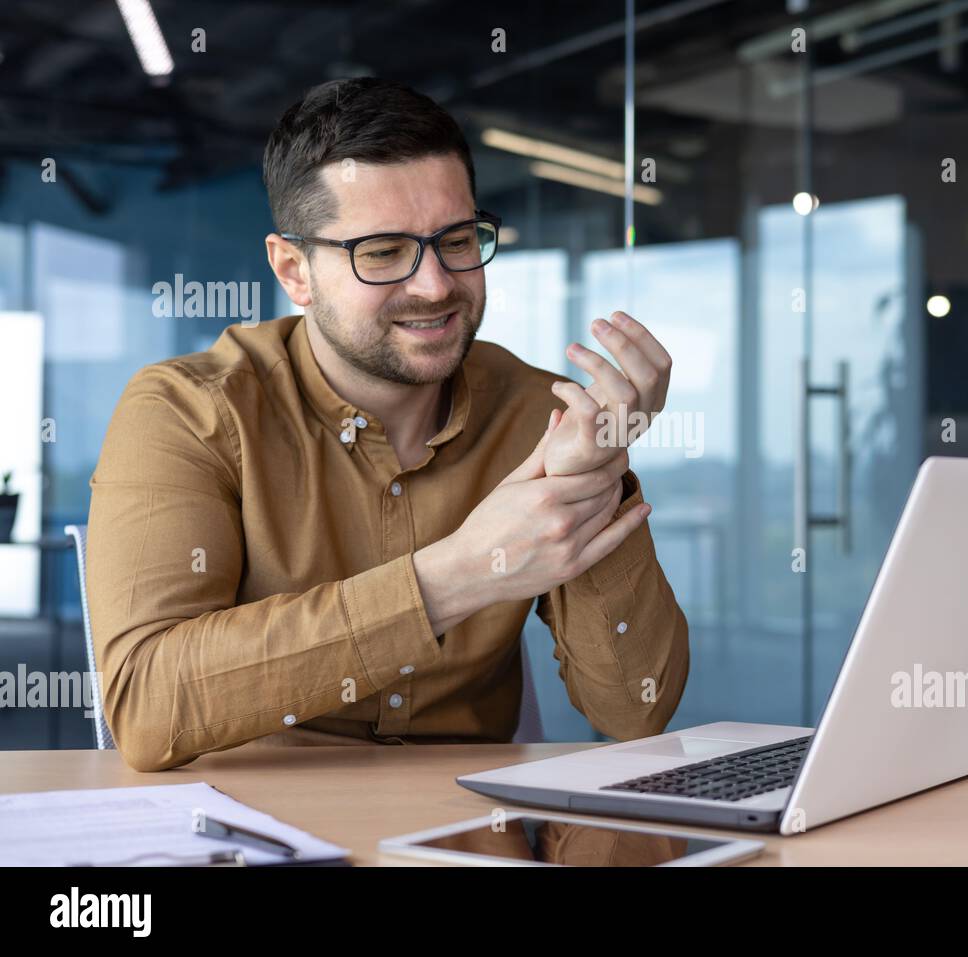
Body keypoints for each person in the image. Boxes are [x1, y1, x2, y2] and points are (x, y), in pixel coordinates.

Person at [86, 78, 689, 772]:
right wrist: (458, 573)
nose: (435, 285)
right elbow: (147, 703)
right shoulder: (188, 411)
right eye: (382, 252)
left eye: (457, 240)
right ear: (294, 270)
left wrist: (592, 474)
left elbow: (635, 709)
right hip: (251, 828)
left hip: (468, 832)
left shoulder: (538, 413)